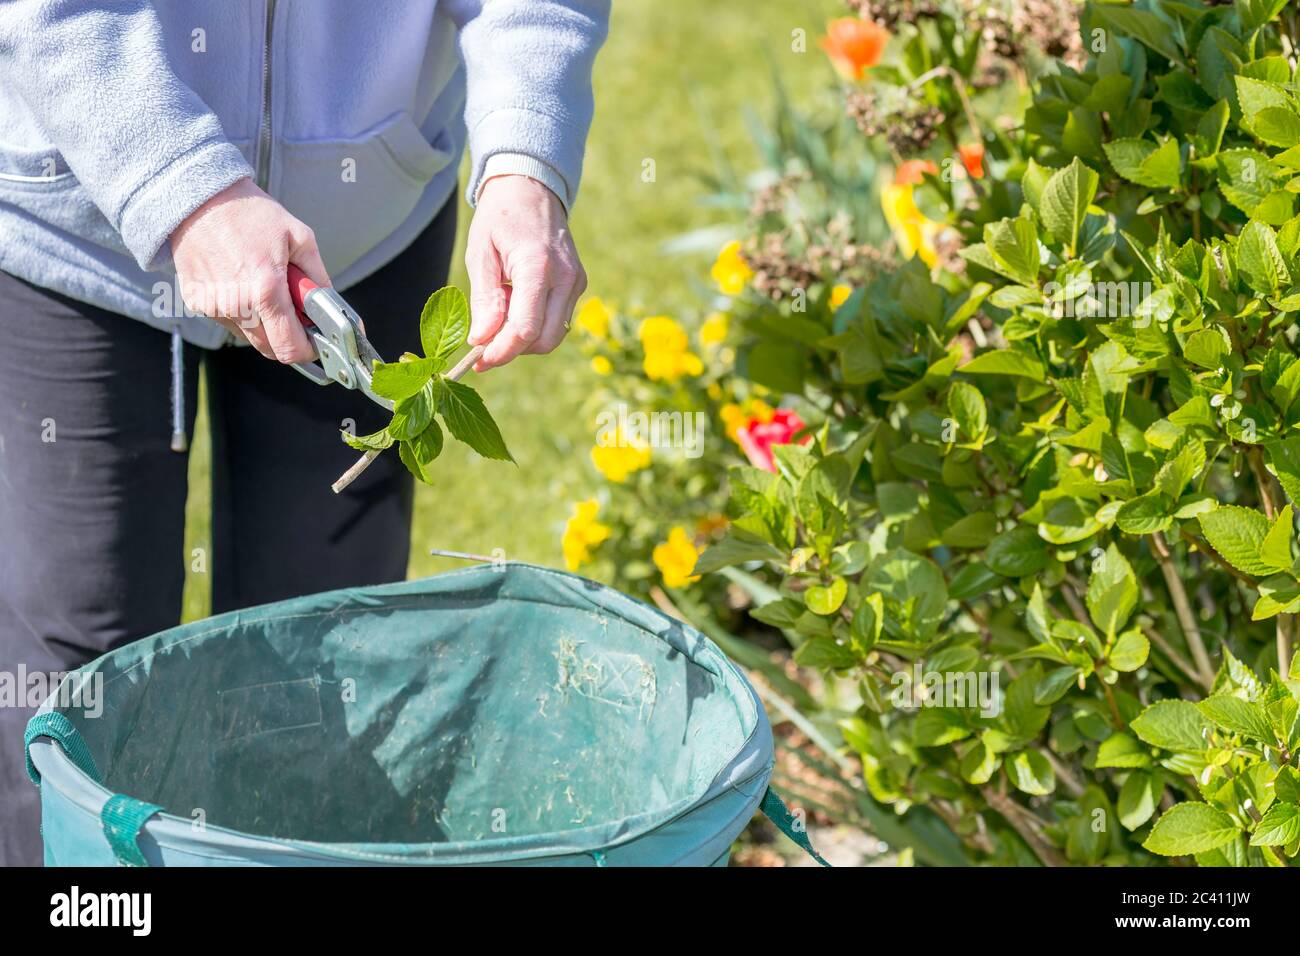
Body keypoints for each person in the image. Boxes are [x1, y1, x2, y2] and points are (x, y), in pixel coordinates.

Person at [0, 0, 610, 866]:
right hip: (77, 219)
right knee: (80, 672)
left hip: (368, 232)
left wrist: (525, 159)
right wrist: (186, 186)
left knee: (318, 656)